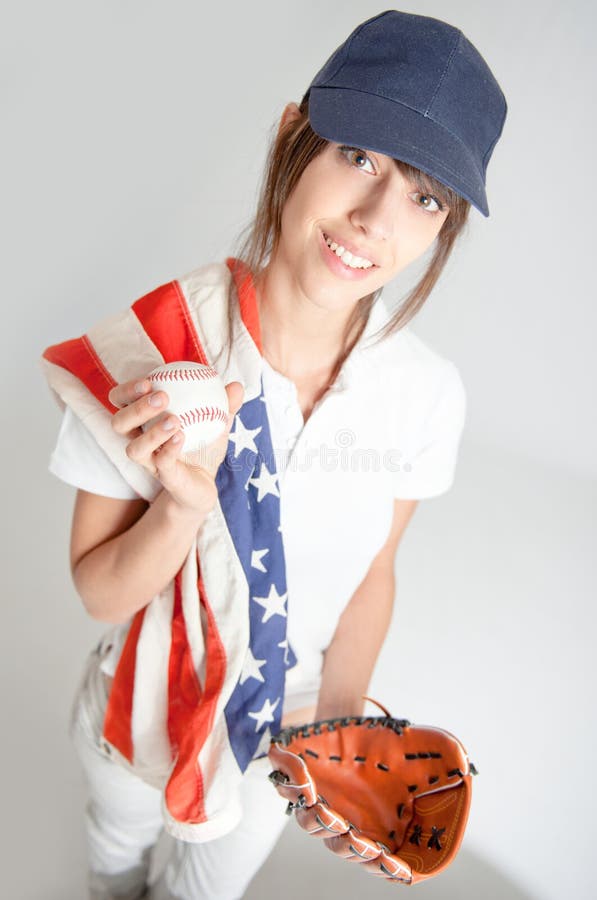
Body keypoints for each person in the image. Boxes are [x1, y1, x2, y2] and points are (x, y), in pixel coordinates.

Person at [41, 9, 507, 900]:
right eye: (360, 156)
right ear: (296, 135)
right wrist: (180, 507)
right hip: (137, 707)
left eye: (424, 198)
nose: (374, 221)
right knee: (114, 855)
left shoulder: (424, 392)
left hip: (275, 737)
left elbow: (374, 571)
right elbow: (99, 592)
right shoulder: (156, 344)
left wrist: (337, 736)